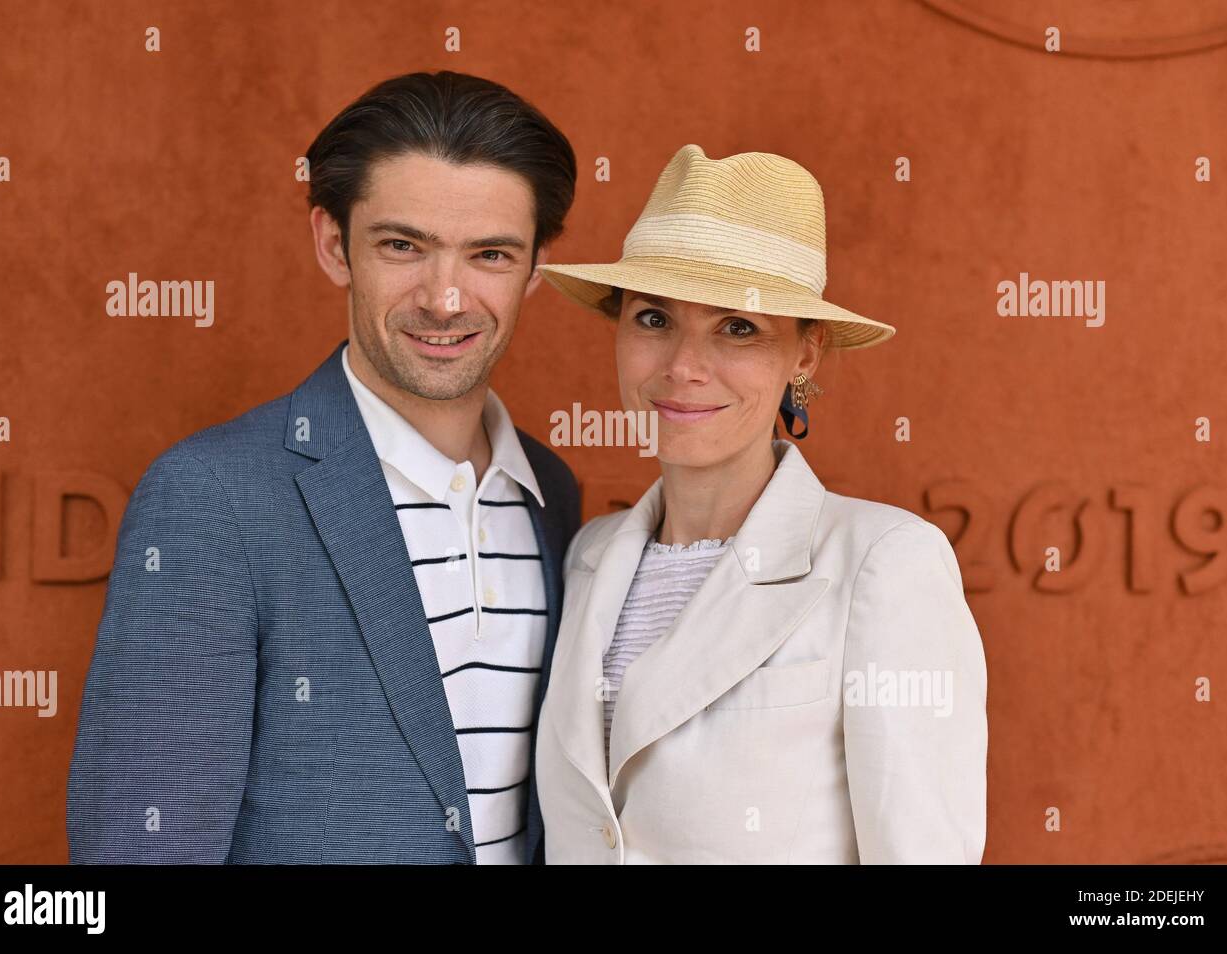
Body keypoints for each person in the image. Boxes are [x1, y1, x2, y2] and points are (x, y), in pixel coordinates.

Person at [66, 71, 581, 864]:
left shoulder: (551, 498)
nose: (445, 299)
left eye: (489, 254)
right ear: (334, 244)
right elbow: (141, 849)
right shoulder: (212, 497)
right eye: (403, 245)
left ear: (536, 268)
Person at [533, 143, 988, 863]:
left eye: (738, 328)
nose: (683, 366)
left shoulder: (884, 564)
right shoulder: (588, 555)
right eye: (654, 319)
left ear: (804, 357)